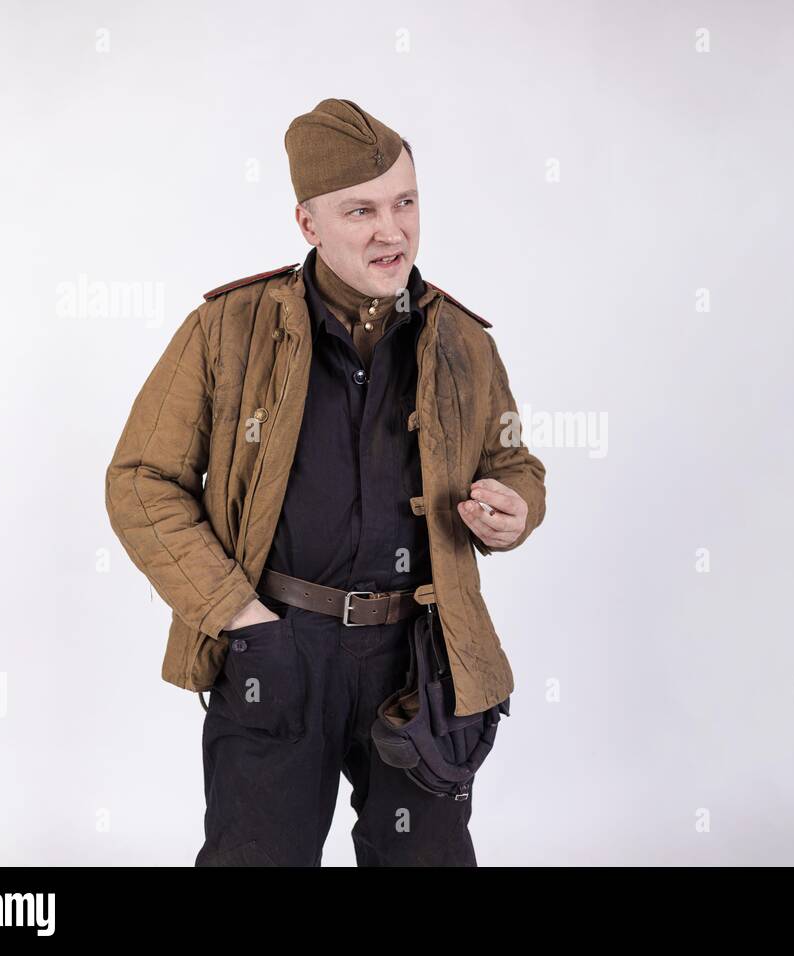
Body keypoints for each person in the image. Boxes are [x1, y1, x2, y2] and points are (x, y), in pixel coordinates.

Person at [104, 98, 547, 866]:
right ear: (308, 224)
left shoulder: (461, 341)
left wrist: (516, 509)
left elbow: (513, 461)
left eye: (406, 202)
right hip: (279, 648)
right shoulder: (227, 329)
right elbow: (141, 480)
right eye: (362, 210)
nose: (393, 229)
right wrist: (238, 617)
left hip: (420, 658)